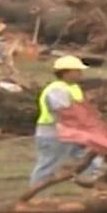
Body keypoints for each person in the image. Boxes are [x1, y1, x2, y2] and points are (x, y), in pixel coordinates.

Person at [31, 55, 90, 185]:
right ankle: (35, 195)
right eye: (77, 71)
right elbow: (64, 112)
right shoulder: (57, 89)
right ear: (66, 72)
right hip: (53, 134)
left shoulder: (73, 88)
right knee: (47, 166)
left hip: (71, 133)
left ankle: (97, 188)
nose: (81, 74)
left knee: (90, 160)